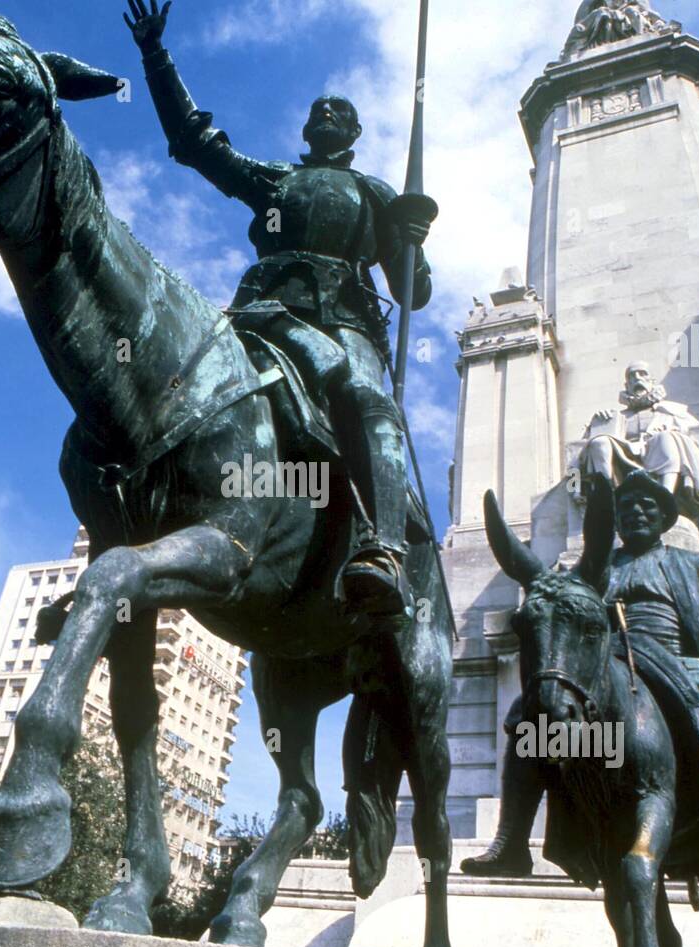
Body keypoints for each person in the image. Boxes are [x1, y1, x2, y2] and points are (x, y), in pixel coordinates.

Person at [124, 0, 436, 617]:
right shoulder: (276, 182)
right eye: (318, 108)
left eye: (339, 112)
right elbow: (194, 143)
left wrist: (411, 242)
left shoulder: (375, 195)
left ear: (353, 135)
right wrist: (155, 56)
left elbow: (415, 294)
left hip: (340, 323)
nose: (325, 113)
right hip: (258, 316)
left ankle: (386, 549)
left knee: (370, 405)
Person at [463, 472, 699, 902]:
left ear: (664, 518)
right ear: (616, 524)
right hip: (608, 667)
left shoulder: (695, 565)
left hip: (682, 665)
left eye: (647, 506)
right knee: (527, 716)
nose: (636, 512)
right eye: (626, 508)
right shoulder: (592, 571)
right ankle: (511, 843)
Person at [581, 361, 699, 521]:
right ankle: (609, 502)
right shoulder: (617, 416)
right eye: (631, 376)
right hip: (624, 456)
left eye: (642, 374)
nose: (637, 378)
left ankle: (663, 501)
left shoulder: (671, 411)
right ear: (627, 385)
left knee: (665, 437)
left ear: (652, 381)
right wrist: (597, 425)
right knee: (599, 442)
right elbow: (580, 453)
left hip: (658, 452)